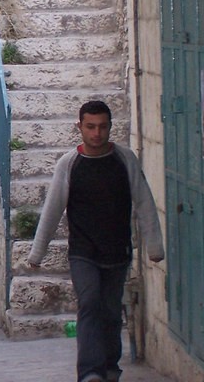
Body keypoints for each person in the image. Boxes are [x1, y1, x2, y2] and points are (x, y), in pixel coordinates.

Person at [27, 100, 164, 382]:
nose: (97, 133)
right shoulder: (69, 164)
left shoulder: (124, 160)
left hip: (118, 251)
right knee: (89, 304)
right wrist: (37, 253)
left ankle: (110, 368)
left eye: (102, 127)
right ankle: (90, 372)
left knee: (112, 312)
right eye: (90, 127)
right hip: (83, 252)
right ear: (80, 127)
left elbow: (144, 201)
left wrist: (154, 246)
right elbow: (53, 209)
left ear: (110, 127)